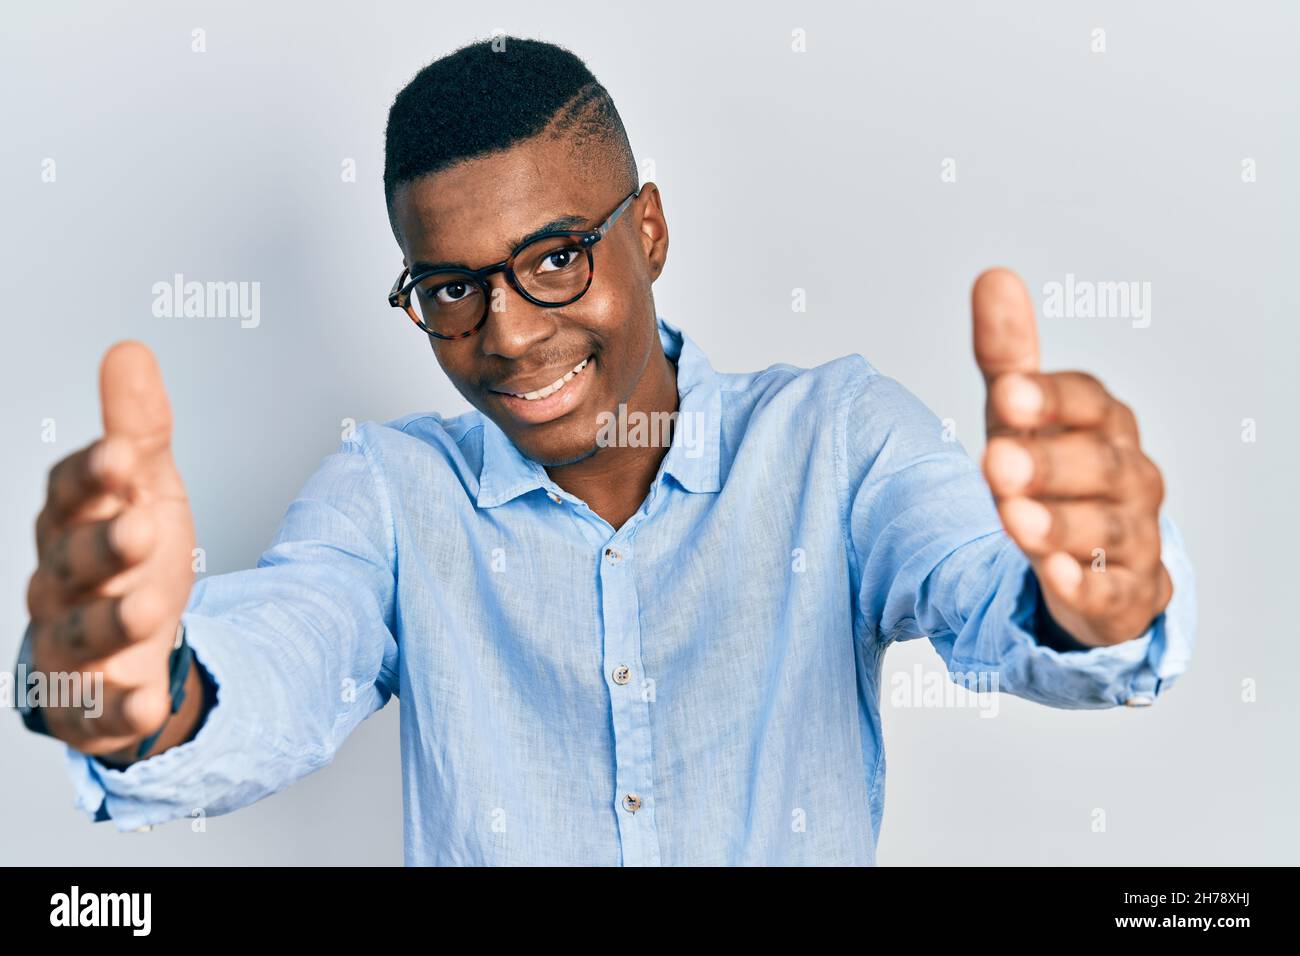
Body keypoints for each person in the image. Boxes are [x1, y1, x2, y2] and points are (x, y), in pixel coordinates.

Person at [18, 35, 1195, 865]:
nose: (510, 330)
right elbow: (284, 652)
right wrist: (147, 695)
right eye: (449, 286)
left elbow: (990, 600)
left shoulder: (832, 442)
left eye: (554, 256)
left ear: (648, 230)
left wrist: (1090, 595)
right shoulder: (388, 496)